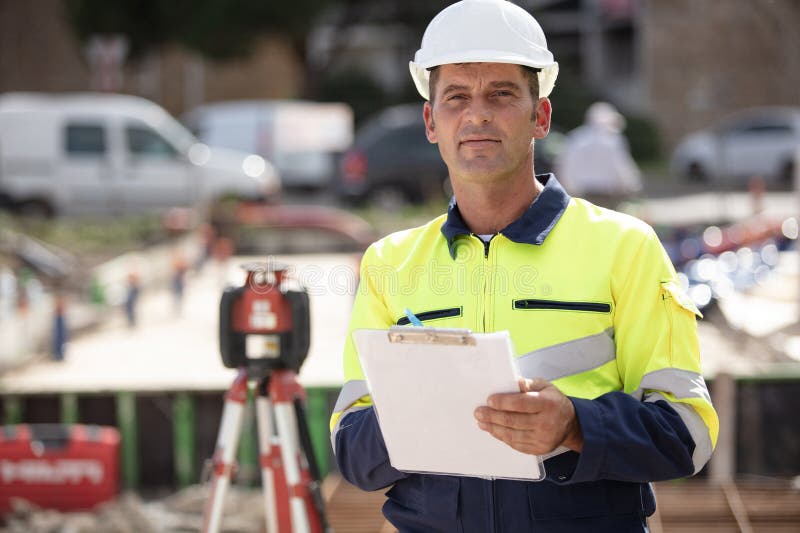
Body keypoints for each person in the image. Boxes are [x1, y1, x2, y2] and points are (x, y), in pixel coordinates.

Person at [329, 1, 718, 531]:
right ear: (431, 121)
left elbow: (687, 436)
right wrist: (421, 410)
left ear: (541, 117)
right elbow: (351, 451)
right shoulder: (389, 264)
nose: (477, 114)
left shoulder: (624, 247)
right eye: (456, 98)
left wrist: (576, 426)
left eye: (502, 95)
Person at [557, 101, 643, 209]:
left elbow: (566, 166)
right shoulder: (613, 140)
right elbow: (622, 167)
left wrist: (568, 189)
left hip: (581, 195)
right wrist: (632, 186)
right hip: (607, 195)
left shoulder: (576, 138)